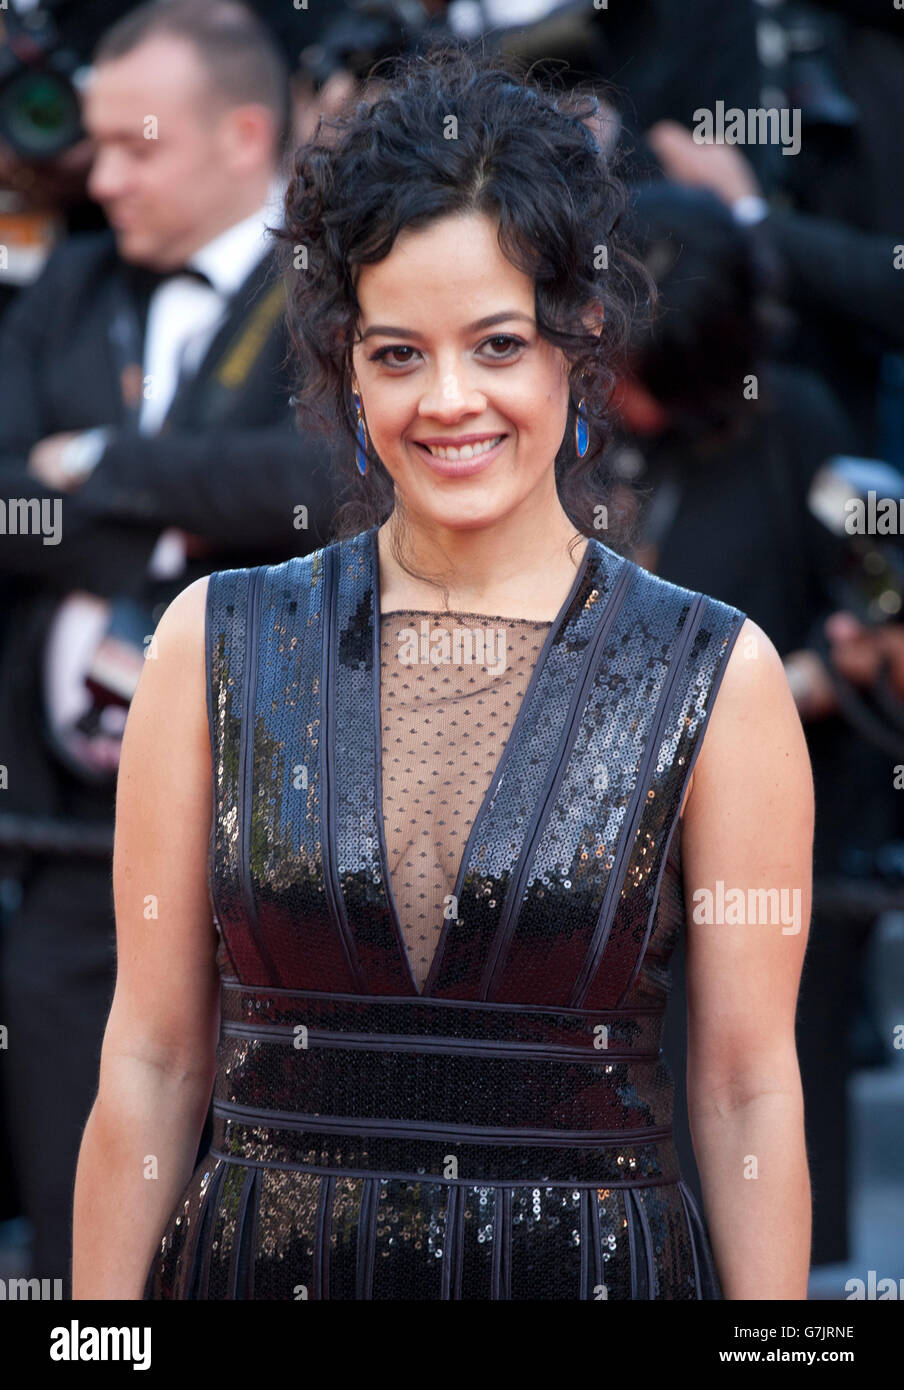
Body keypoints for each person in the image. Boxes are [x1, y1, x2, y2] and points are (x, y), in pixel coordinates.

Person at [73, 44, 814, 1300]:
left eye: (496, 343)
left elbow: (745, 1090)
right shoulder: (213, 643)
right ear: (345, 363)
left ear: (577, 343)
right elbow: (150, 1058)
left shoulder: (712, 672)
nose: (449, 400)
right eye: (398, 352)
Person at [0, 0, 340, 1295]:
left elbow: (324, 478)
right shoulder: (70, 284)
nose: (100, 177)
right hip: (79, 835)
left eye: (136, 147)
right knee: (71, 1179)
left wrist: (103, 469)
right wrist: (164, 521)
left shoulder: (333, 288)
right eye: (92, 146)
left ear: (243, 134)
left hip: (289, 834)